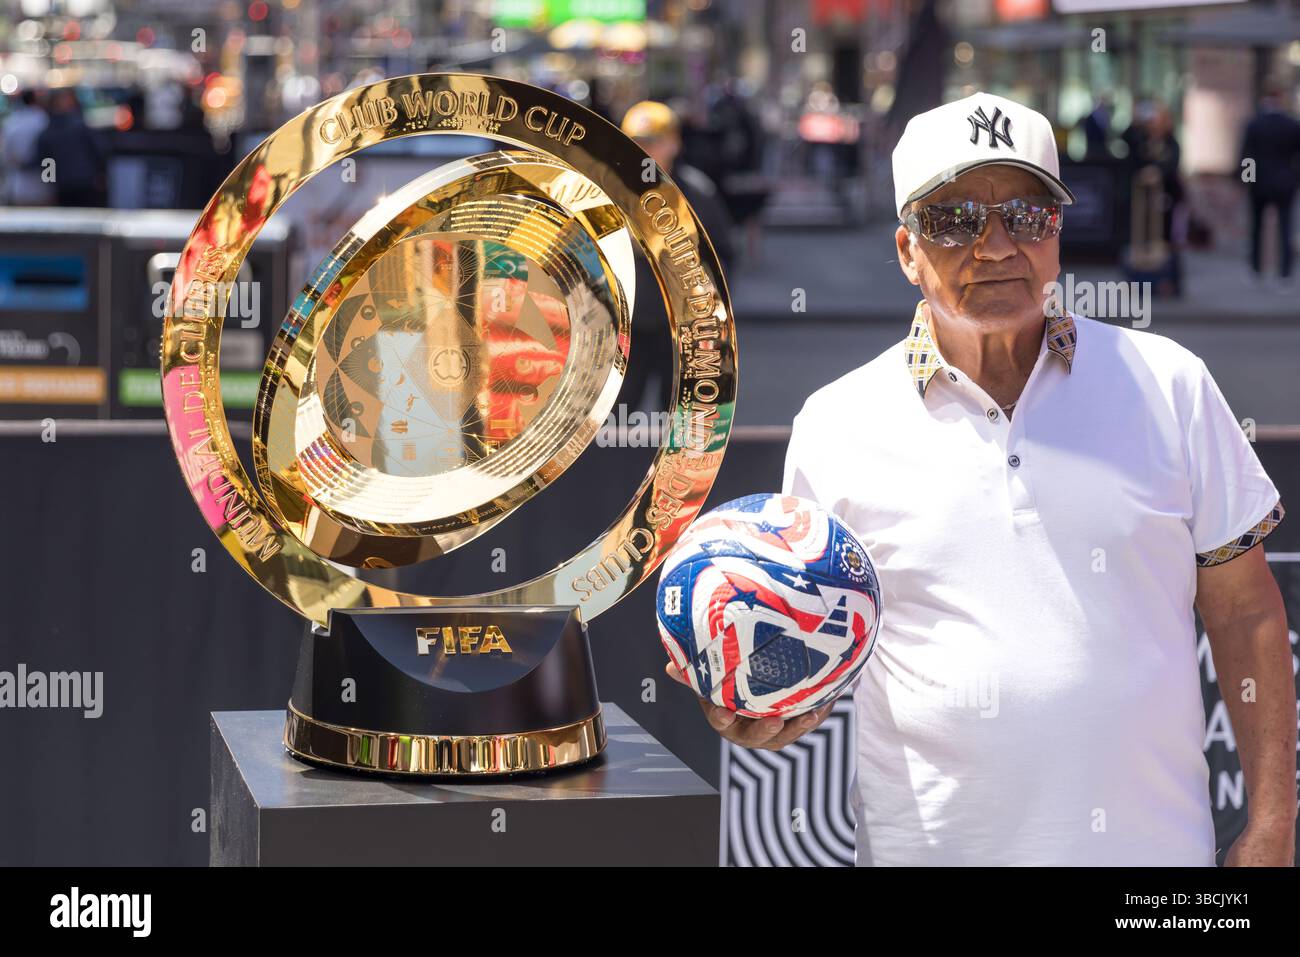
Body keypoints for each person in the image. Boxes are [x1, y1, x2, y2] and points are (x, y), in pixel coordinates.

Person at [671, 92, 1296, 866]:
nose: (996, 245)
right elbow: (807, 643)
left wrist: (1272, 827)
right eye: (955, 219)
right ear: (906, 250)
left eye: (1027, 215)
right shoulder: (836, 424)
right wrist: (761, 705)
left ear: (1058, 235)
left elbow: (1249, 618)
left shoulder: (1171, 384)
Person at [619, 100, 734, 414]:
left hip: (683, 329)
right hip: (628, 327)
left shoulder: (697, 193)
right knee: (615, 420)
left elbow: (723, 256)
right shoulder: (611, 190)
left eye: (652, 142)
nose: (643, 150)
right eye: (635, 143)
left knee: (681, 418)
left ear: (674, 142)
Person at [1240, 82, 1300, 282]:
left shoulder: (1254, 124)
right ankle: (1284, 272)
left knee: (1257, 228)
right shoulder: (1292, 124)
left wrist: (1247, 180)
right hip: (1285, 182)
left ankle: (1256, 270)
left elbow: (1247, 156)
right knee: (1285, 228)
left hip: (1259, 182)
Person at [35, 88, 105, 208]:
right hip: (84, 181)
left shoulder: (48, 131)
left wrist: (50, 185)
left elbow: (46, 162)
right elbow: (98, 150)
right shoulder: (80, 127)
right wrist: (101, 173)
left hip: (67, 184)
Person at [2, 89, 52, 205]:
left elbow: (6, 156)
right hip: (45, 178)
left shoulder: (12, 122)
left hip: (20, 184)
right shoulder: (45, 119)